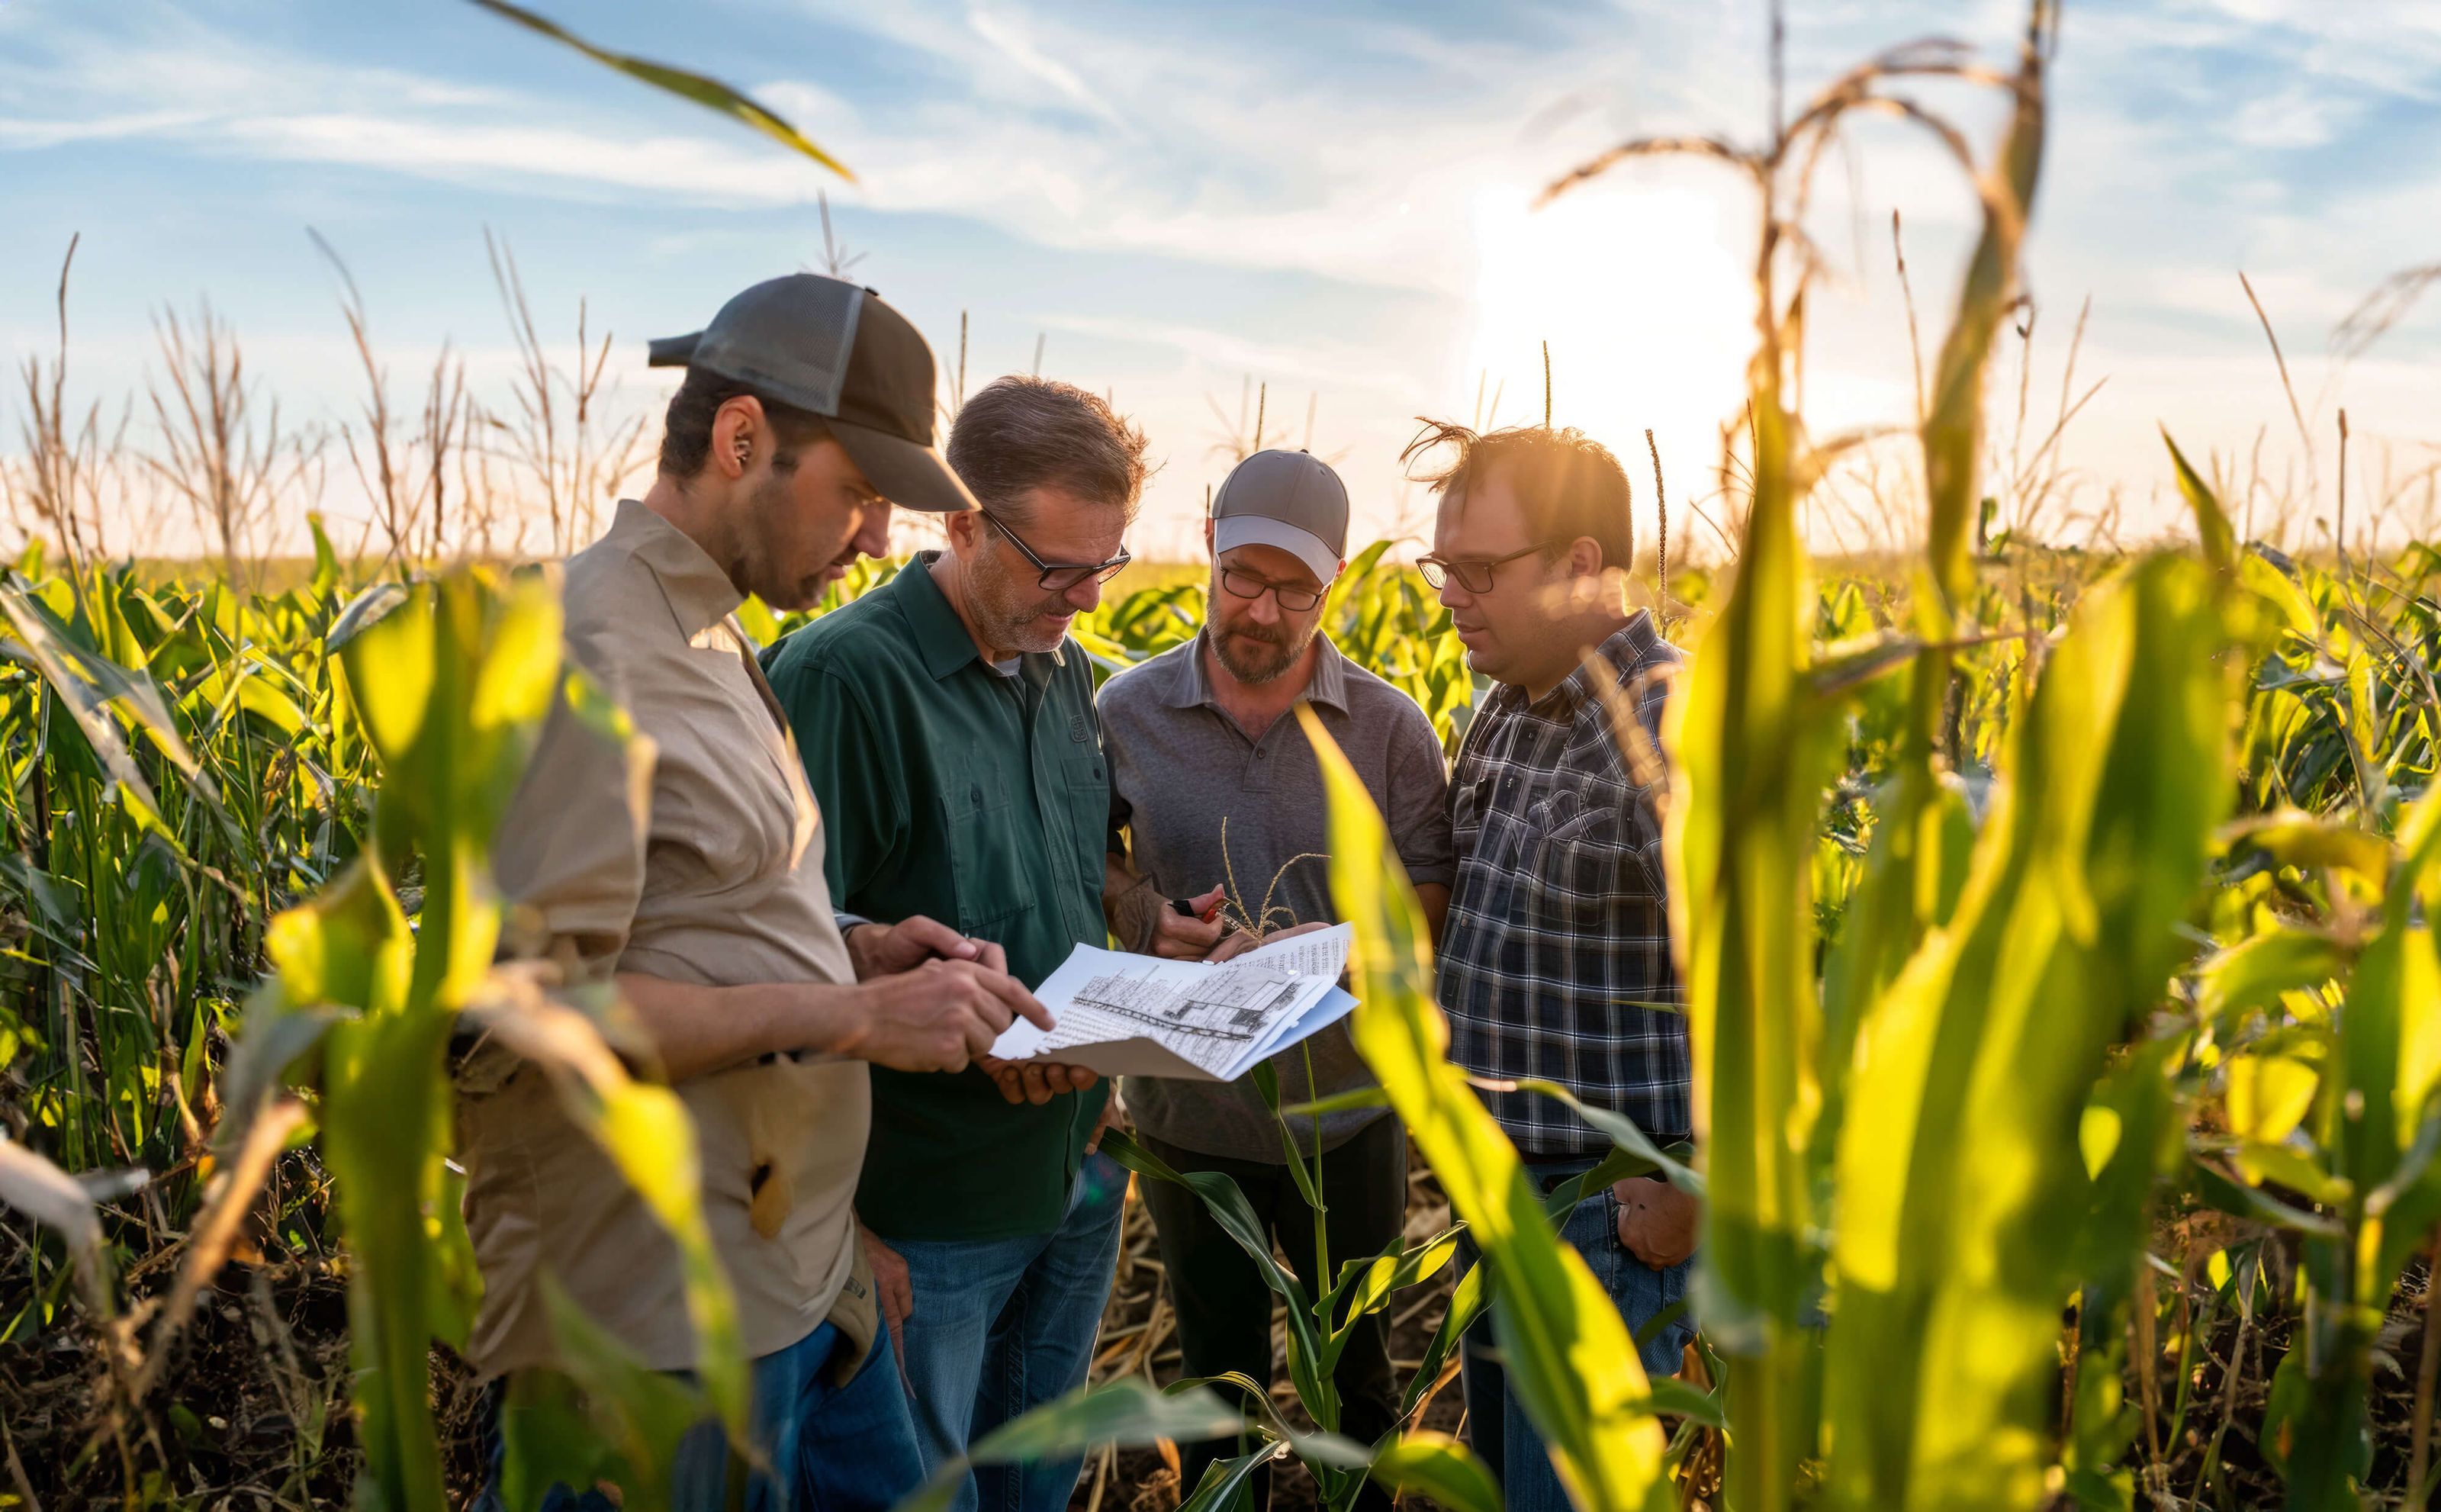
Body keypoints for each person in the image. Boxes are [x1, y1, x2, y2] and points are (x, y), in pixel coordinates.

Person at [463, 274, 1054, 1512]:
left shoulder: (711, 633)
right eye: (860, 492)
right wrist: (853, 1016)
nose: (879, 539)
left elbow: (693, 909)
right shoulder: (584, 650)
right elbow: (534, 1016)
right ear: (742, 440)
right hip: (660, 1326)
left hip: (800, 1281)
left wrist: (856, 944)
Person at [761, 375, 1148, 1512]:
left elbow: (1064, 876)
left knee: (1035, 1486)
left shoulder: (1067, 669)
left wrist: (1144, 937)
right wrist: (840, 1232)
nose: (1085, 597)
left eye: (1107, 565)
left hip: (1074, 1175)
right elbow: (773, 955)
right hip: (922, 1216)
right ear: (962, 521)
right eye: (1058, 566)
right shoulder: (843, 679)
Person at [1098, 449, 1455, 1510]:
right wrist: (1144, 913)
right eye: (1243, 576)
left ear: (1335, 581)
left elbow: (1430, 896)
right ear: (1208, 548)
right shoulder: (1124, 710)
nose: (1262, 610)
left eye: (1294, 589)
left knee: (1358, 1372)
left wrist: (1321, 951)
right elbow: (1090, 858)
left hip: (1348, 1112)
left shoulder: (1390, 728)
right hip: (1186, 1112)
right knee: (1217, 1382)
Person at [1408, 420, 1698, 1512]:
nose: (1451, 597)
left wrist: (1699, 1191)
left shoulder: (1673, 723)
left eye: (1479, 570)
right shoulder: (1507, 705)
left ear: (1582, 563)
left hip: (1602, 1216)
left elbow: (1765, 983)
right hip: (1496, 1197)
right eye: (1441, 569)